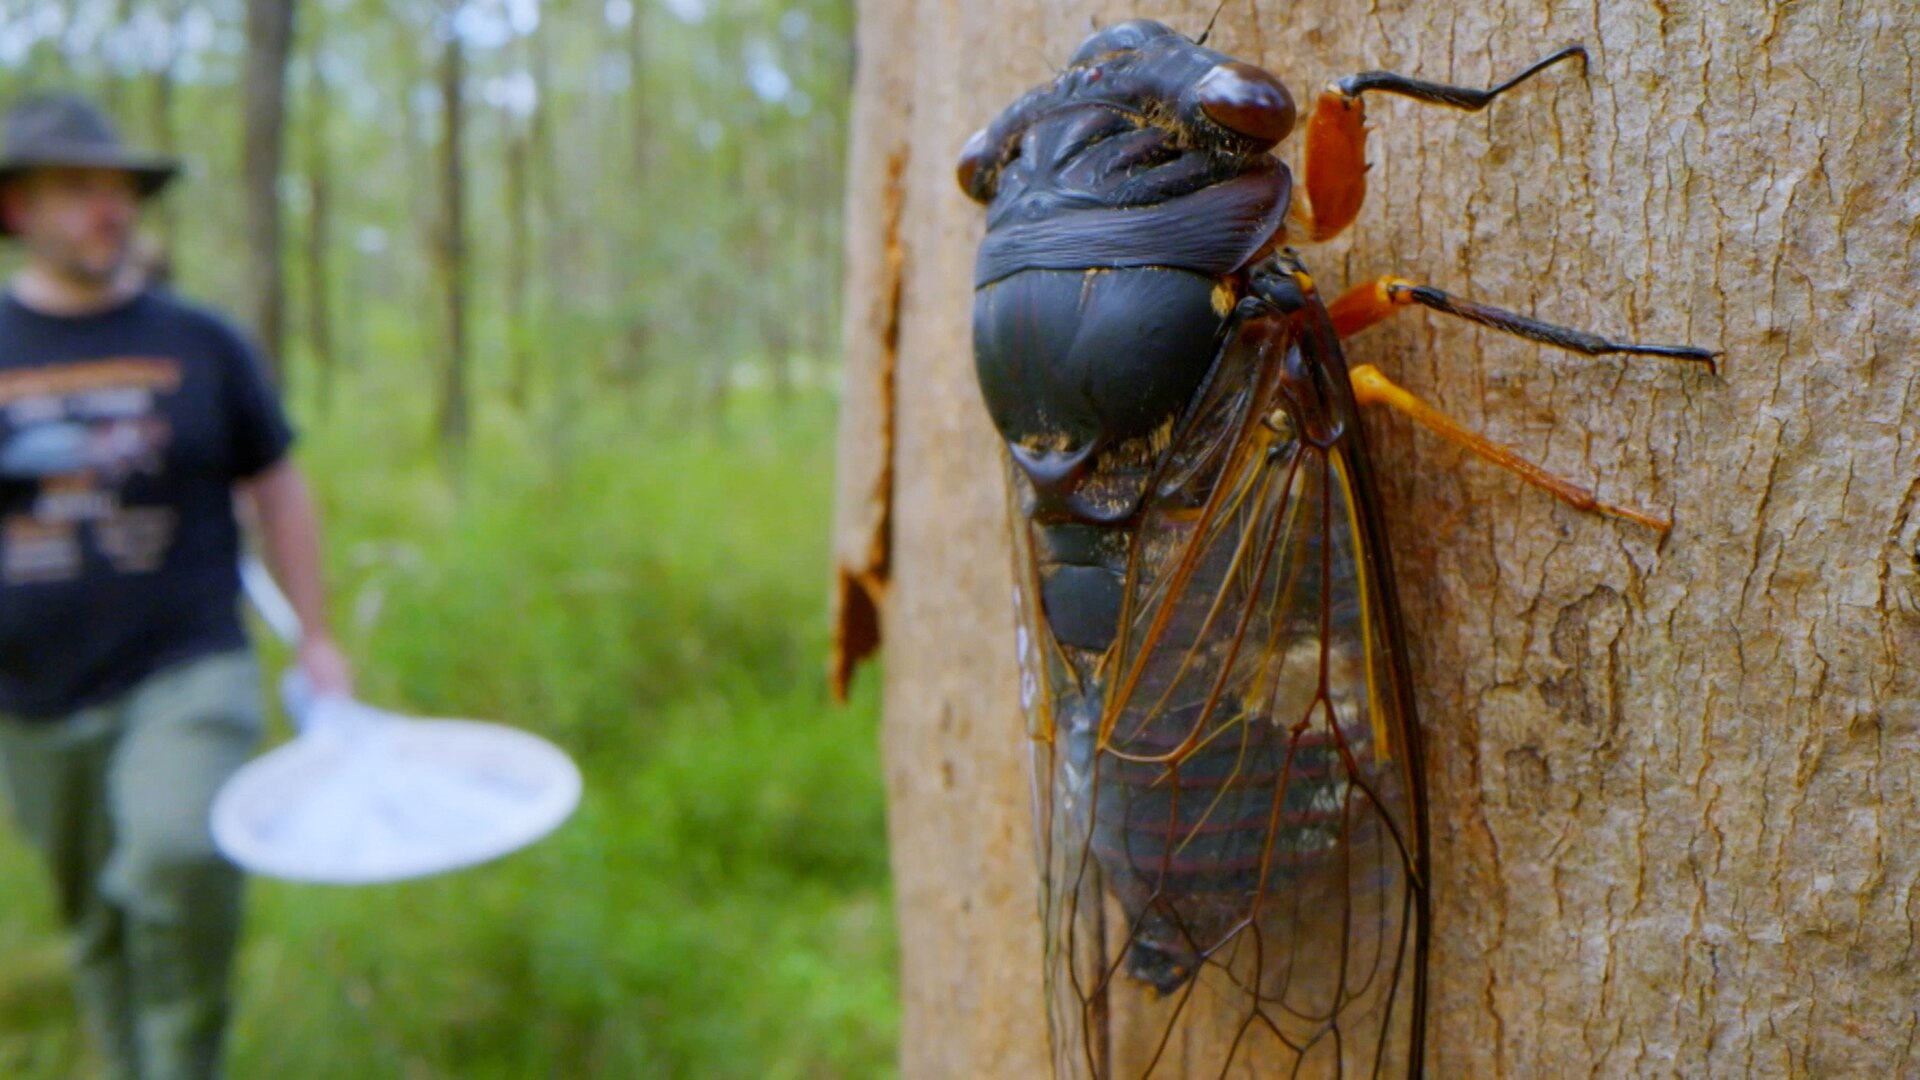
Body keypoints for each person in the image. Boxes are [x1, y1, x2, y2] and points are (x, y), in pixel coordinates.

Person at [0, 92, 349, 1080]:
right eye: (76, 190)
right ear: (18, 209)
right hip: (32, 692)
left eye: (118, 190)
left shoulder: (201, 342)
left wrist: (316, 637)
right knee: (96, 918)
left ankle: (184, 1060)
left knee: (174, 852)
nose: (107, 209)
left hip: (187, 665)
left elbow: (277, 487)